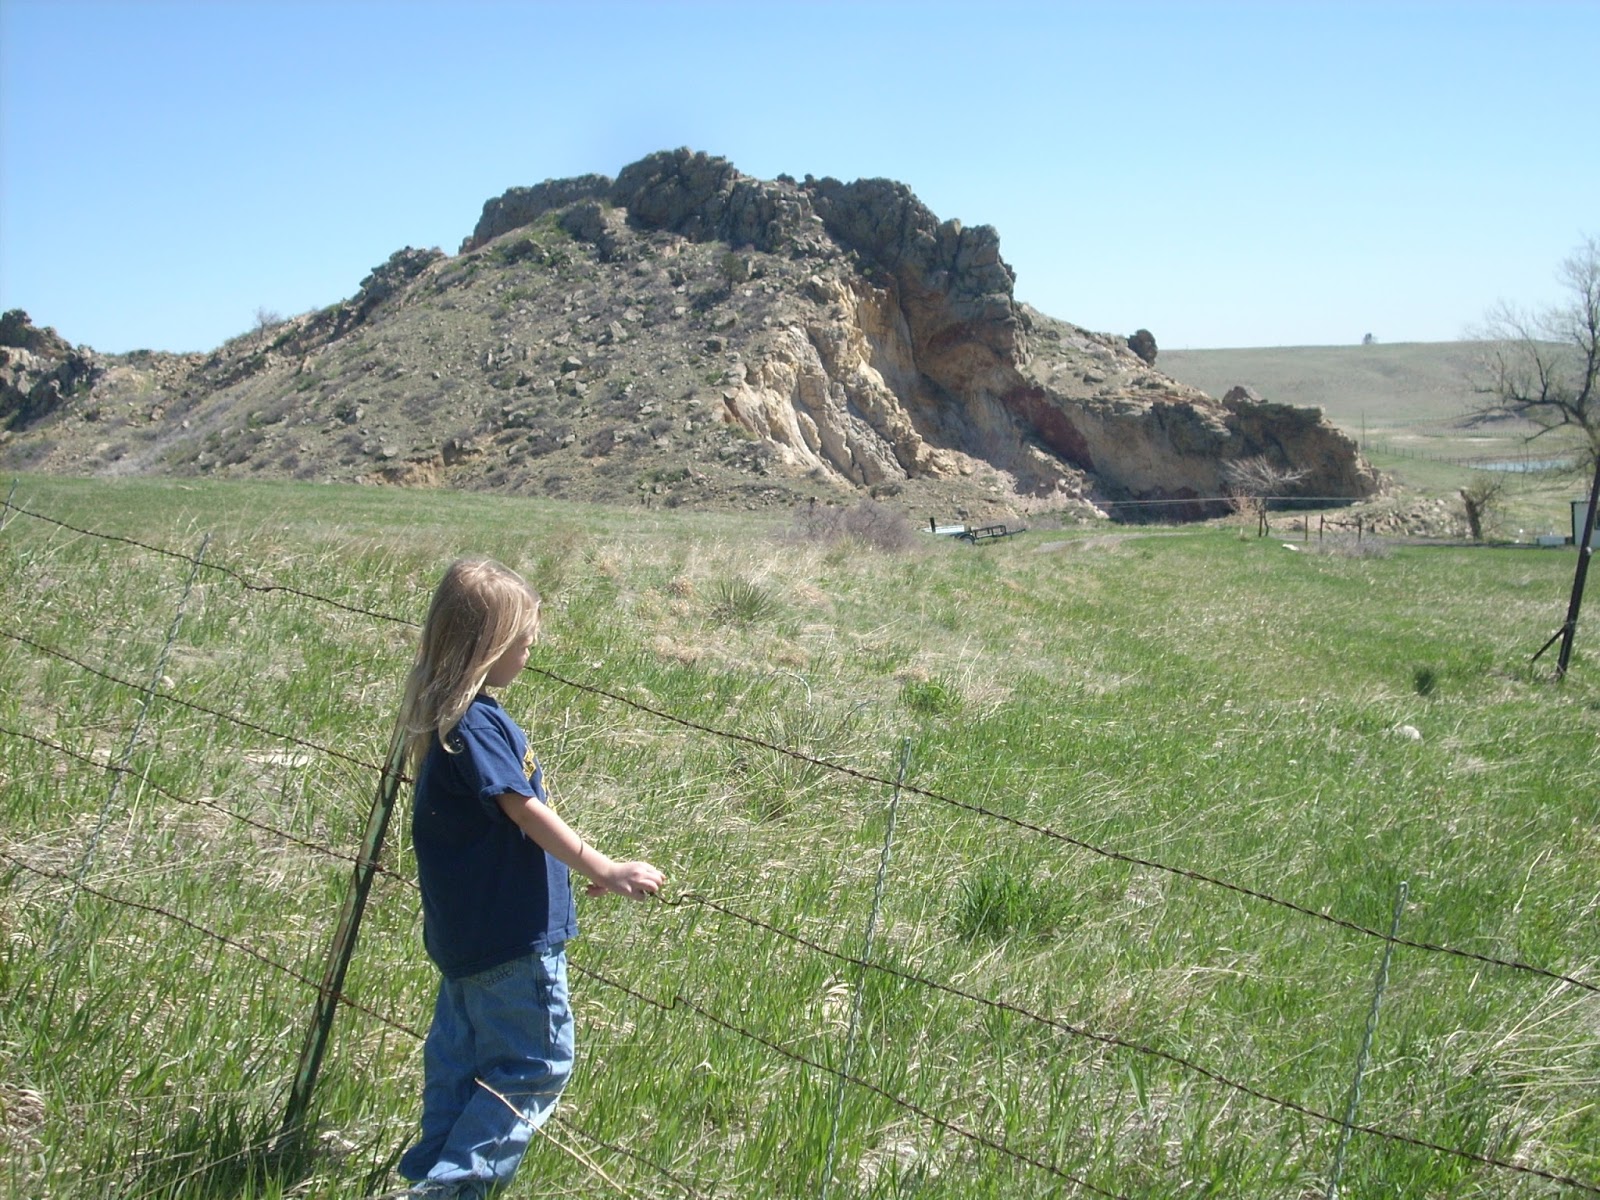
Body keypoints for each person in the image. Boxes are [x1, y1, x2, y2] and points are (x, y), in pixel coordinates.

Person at [394, 557, 664, 1199]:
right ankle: (449, 1191)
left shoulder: (445, 717)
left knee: (461, 1069)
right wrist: (601, 865)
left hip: (466, 940)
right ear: (487, 646)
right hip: (512, 942)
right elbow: (523, 807)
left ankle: (430, 1173)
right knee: (532, 1066)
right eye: (522, 642)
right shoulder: (479, 724)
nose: (529, 652)